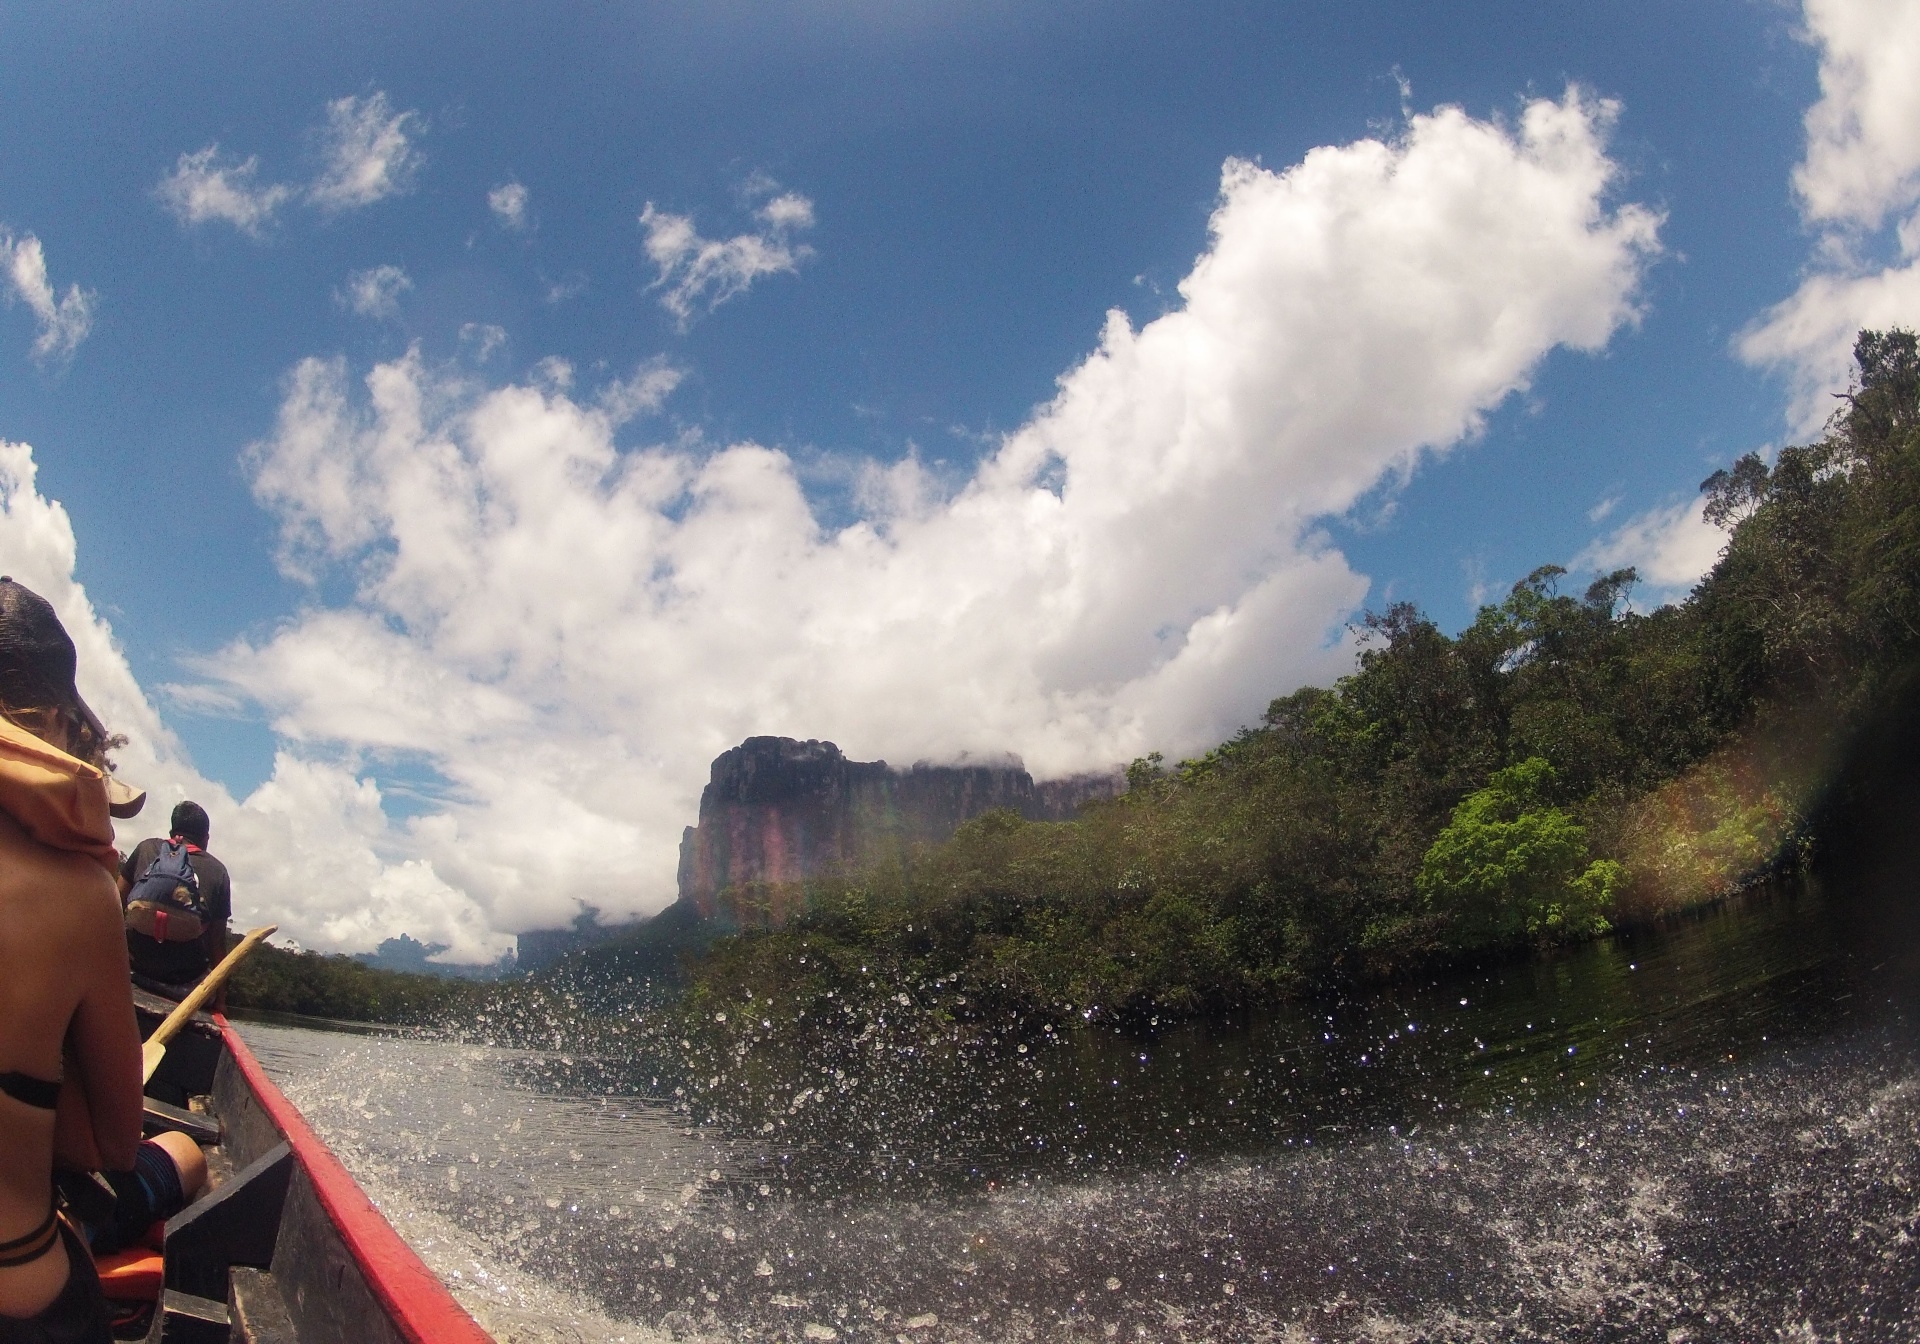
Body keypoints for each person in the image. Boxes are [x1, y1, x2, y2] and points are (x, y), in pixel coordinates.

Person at [0, 577, 143, 1341]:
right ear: (52, 722)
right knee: (170, 1162)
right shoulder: (82, 893)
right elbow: (111, 1146)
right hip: (17, 1285)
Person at [120, 802, 231, 1002]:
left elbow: (113, 904)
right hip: (186, 987)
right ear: (206, 838)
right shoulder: (218, 871)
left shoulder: (146, 848)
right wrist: (221, 1001)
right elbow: (217, 944)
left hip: (131, 972)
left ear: (172, 832)